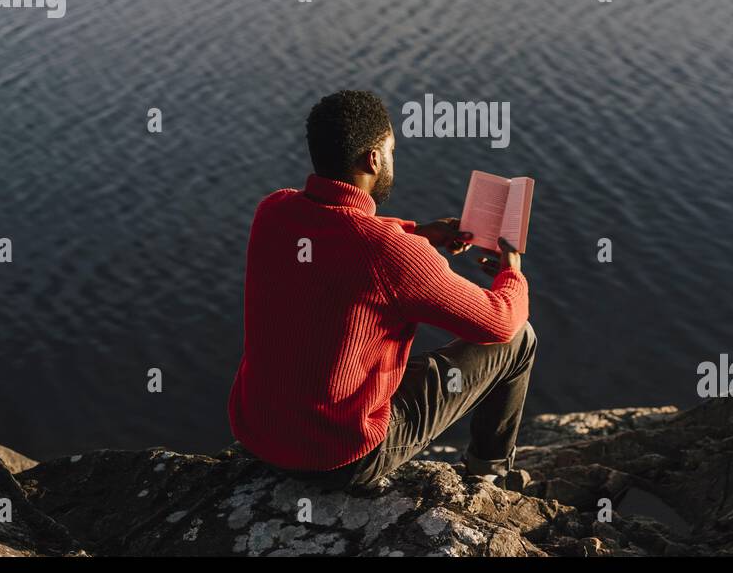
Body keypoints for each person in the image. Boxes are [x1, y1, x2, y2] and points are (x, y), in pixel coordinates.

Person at [226, 89, 536, 489]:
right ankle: (489, 474)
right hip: (341, 457)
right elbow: (500, 323)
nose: (392, 160)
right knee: (519, 340)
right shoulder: (391, 254)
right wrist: (512, 273)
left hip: (259, 435)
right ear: (373, 159)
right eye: (391, 150)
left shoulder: (273, 211)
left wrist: (417, 232)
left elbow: (340, 238)